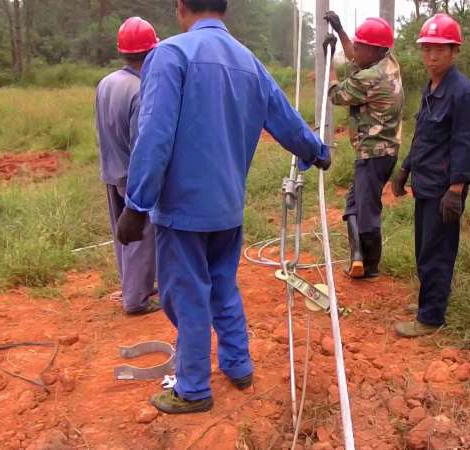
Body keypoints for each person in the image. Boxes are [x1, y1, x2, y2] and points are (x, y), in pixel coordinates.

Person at [116, 0, 331, 414]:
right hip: (227, 206)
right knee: (222, 285)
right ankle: (238, 365)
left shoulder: (170, 55)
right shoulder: (248, 62)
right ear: (224, 8)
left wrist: (137, 204)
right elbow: (284, 118)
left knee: (186, 295)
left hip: (182, 210)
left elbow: (154, 135)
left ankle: (193, 388)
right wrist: (316, 150)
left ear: (181, 8)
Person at [390, 14, 470, 337]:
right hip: (425, 184)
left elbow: (466, 144)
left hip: (445, 188)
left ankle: (431, 318)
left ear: (454, 52)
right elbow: (424, 135)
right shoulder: (431, 87)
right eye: (427, 49)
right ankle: (432, 300)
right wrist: (405, 168)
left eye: (439, 50)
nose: (431, 56)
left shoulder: (462, 93)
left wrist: (456, 189)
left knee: (438, 251)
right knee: (424, 248)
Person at [323, 12, 404, 279]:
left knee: (365, 210)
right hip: (385, 151)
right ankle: (358, 258)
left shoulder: (370, 78)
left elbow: (336, 94)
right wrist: (341, 31)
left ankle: (369, 266)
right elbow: (357, 56)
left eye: (360, 45)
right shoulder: (388, 63)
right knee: (354, 204)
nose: (354, 49)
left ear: (374, 50)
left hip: (373, 154)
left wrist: (328, 61)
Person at [95, 17, 161, 316]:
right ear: (150, 52)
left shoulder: (106, 83)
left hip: (110, 169)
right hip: (132, 174)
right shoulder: (140, 89)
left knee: (121, 233)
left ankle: (132, 284)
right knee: (141, 235)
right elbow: (141, 143)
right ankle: (135, 299)